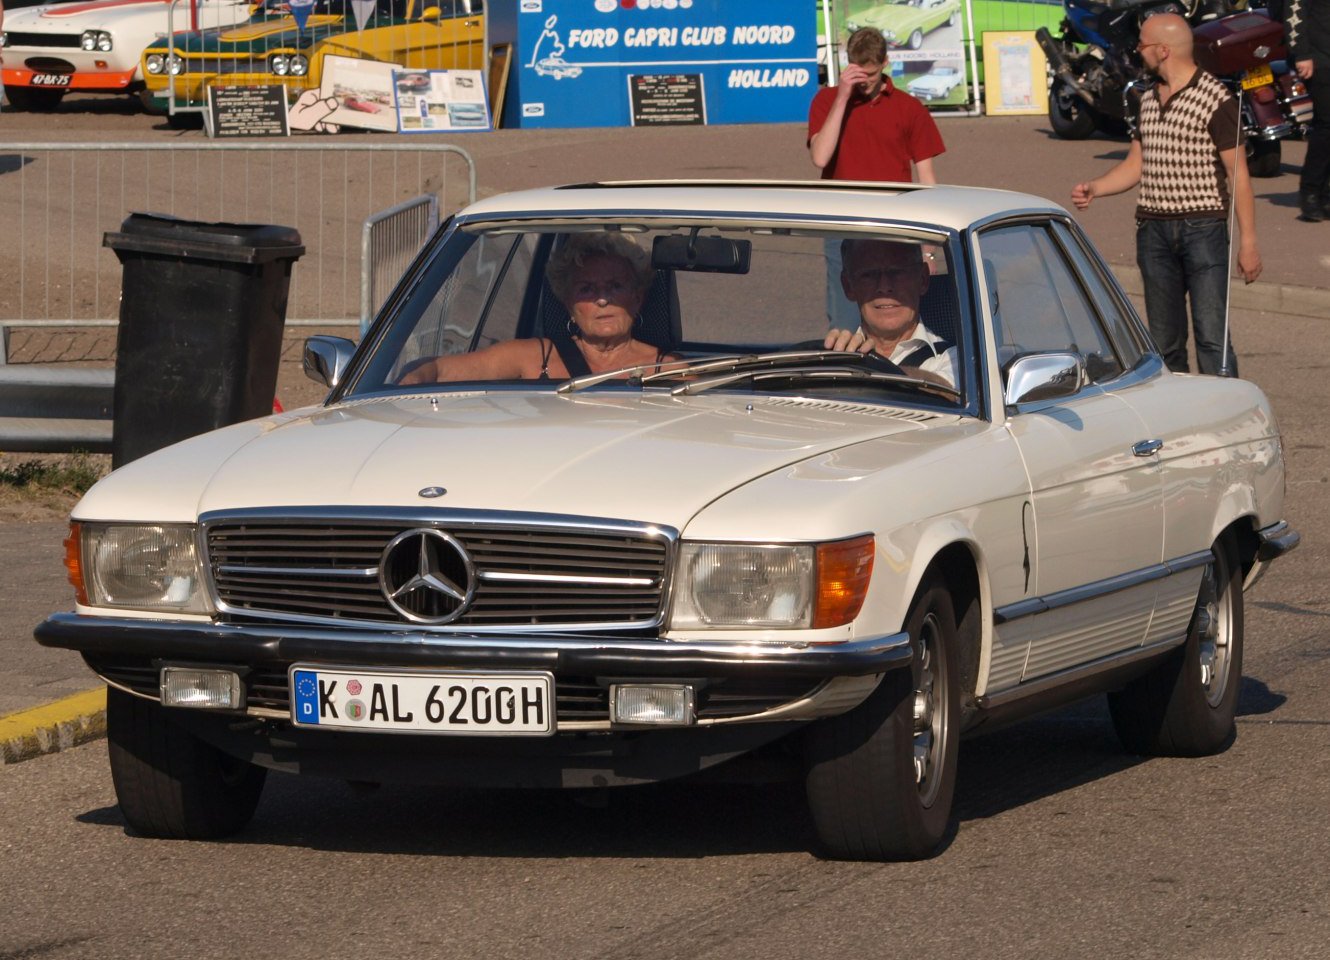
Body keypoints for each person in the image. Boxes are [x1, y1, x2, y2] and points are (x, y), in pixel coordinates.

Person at [1071, 13, 1261, 377]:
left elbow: (1239, 176)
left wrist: (1248, 242)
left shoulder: (1216, 99)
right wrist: (1096, 187)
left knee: (1212, 338)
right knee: (1164, 341)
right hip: (1153, 232)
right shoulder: (1148, 100)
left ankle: (1225, 416)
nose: (1137, 52)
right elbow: (1135, 165)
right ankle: (1179, 416)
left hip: (1203, 228)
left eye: (1141, 45)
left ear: (1163, 50)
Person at [808, 26, 946, 331]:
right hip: (840, 224)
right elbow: (820, 157)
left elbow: (926, 179)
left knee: (901, 317)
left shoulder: (909, 108)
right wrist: (843, 96)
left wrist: (928, 245)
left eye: (871, 74)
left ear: (884, 64)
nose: (865, 82)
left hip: (896, 225)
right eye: (859, 73)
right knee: (843, 321)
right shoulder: (826, 101)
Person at [400, 233, 674, 384]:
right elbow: (437, 370)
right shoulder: (530, 357)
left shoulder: (672, 370)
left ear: (637, 298)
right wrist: (413, 381)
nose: (602, 299)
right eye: (587, 289)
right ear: (569, 304)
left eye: (615, 286)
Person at [821, 238, 958, 386]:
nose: (884, 287)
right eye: (869, 274)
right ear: (848, 286)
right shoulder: (833, 358)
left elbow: (947, 392)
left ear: (923, 279)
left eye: (897, 272)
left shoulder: (953, 357)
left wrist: (862, 371)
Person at [1270, 0, 1330, 220]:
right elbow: (1294, 10)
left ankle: (1326, 193)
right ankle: (1311, 192)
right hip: (1319, 57)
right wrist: (1301, 53)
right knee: (1326, 125)